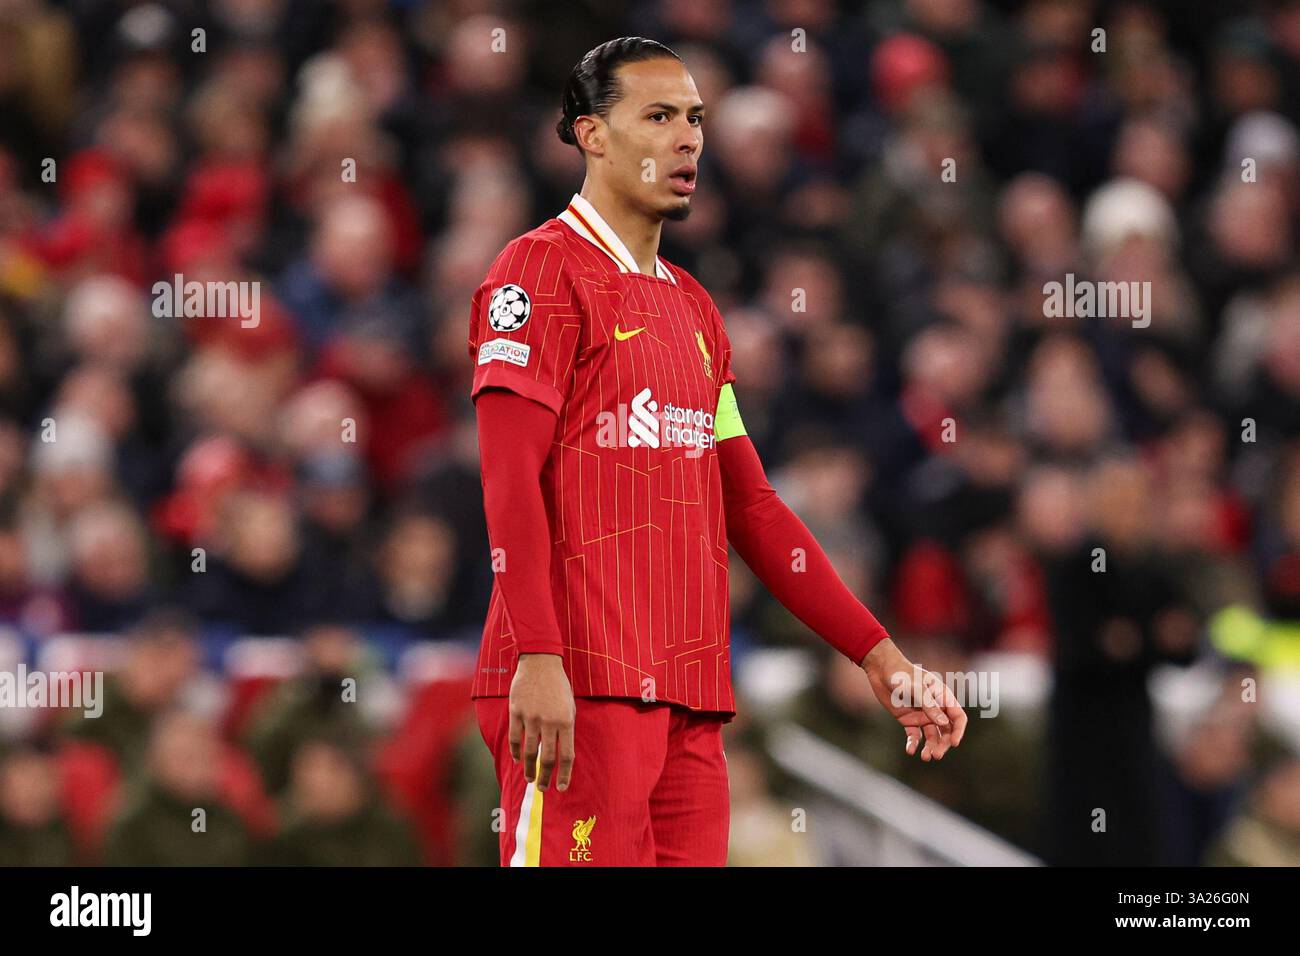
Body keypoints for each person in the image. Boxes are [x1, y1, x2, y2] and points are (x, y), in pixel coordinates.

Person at [468, 37, 967, 867]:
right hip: (578, 682)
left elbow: (751, 506)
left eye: (696, 118)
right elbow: (508, 478)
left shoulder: (696, 312)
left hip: (690, 697)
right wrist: (540, 657)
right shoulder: (537, 273)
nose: (689, 137)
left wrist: (880, 658)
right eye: (658, 116)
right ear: (591, 135)